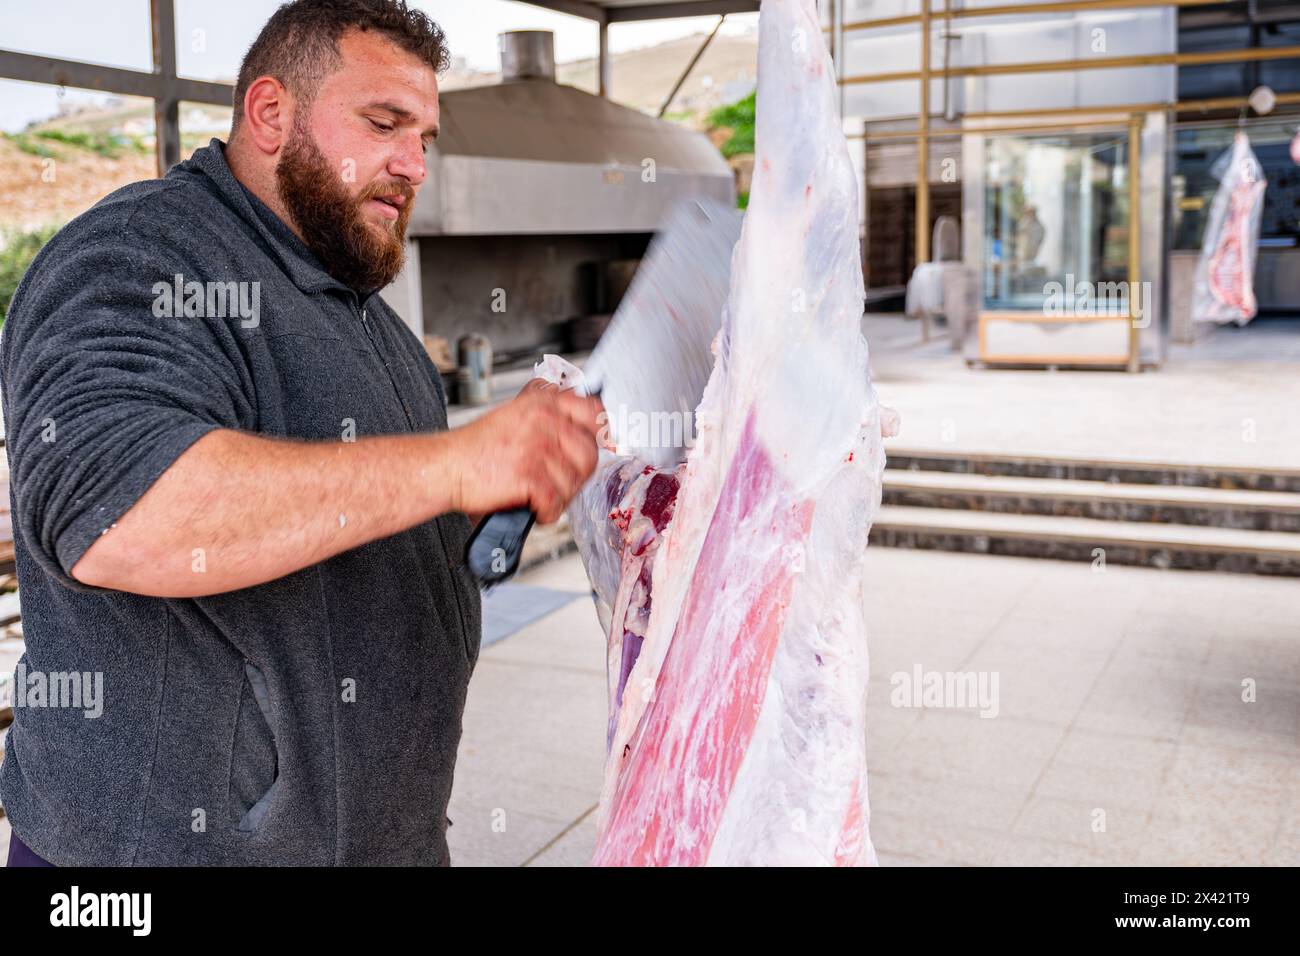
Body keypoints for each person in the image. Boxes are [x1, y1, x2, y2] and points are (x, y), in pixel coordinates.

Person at [0, 0, 601, 866]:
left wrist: (487, 498)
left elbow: (358, 514)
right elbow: (120, 518)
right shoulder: (136, 257)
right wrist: (459, 463)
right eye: (384, 122)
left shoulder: (369, 322)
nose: (413, 163)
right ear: (272, 114)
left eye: (424, 137)